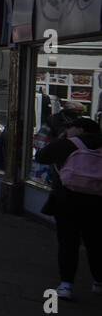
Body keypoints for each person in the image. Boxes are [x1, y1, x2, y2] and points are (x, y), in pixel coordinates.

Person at [33, 114, 102, 301]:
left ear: (80, 129)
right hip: (97, 203)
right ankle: (98, 281)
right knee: (95, 242)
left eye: (71, 127)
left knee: (68, 243)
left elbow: (41, 156)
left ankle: (66, 285)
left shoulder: (69, 143)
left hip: (68, 201)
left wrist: (62, 139)